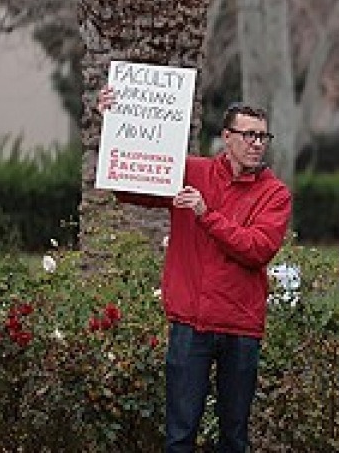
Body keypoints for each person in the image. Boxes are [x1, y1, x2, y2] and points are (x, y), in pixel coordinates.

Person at [98, 89, 292, 453]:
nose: (257, 144)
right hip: (191, 324)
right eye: (248, 135)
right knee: (180, 435)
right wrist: (113, 122)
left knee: (234, 438)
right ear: (227, 137)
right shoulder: (192, 171)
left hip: (240, 327)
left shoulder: (275, 194)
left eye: (263, 136)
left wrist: (206, 215)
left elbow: (256, 249)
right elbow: (129, 187)